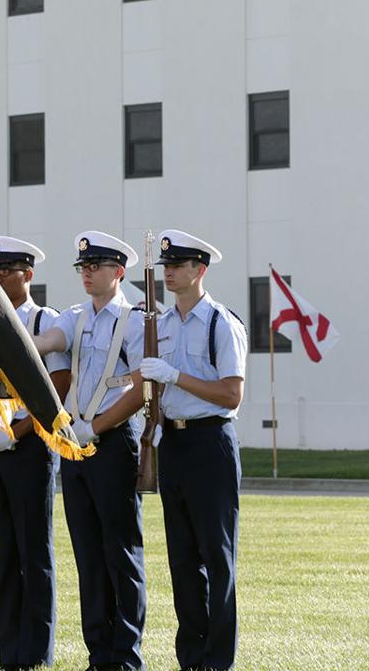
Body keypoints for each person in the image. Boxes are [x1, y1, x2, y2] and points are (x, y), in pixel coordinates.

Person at [32, 231, 146, 671]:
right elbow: (50, 342)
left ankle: (126, 654)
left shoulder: (135, 320)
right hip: (75, 446)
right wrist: (19, 343)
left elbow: (140, 389)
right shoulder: (75, 316)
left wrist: (95, 428)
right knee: (88, 553)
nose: (87, 274)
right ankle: (99, 652)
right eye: (83, 267)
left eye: (95, 267)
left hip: (112, 441)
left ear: (118, 272)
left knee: (121, 551)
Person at [135, 230, 246, 671]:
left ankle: (217, 660)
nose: (169, 273)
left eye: (177, 266)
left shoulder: (221, 322)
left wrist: (175, 375)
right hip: (175, 443)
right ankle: (191, 657)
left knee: (216, 558)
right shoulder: (159, 325)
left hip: (210, 443)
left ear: (199, 270)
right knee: (182, 560)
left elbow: (231, 394)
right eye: (165, 266)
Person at [0, 236, 72, 671]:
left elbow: (58, 391)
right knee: (4, 556)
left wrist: (15, 432)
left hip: (31, 447)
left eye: (6, 271)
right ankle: (9, 652)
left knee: (34, 554)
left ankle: (35, 653)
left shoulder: (43, 320)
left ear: (28, 275)